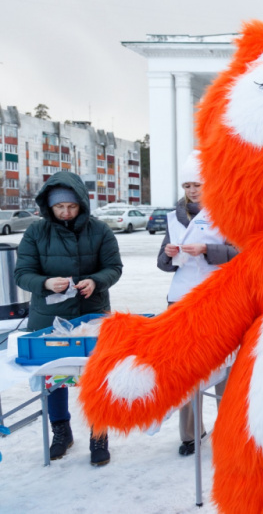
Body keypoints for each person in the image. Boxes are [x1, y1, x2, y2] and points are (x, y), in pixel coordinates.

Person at [15, 171, 123, 466]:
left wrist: (95, 281)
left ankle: (98, 434)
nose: (65, 213)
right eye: (59, 207)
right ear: (49, 207)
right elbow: (22, 273)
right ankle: (61, 432)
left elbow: (114, 267)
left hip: (92, 315)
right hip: (49, 318)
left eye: (71, 207)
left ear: (82, 204)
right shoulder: (36, 233)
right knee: (54, 378)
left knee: (97, 377)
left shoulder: (100, 230)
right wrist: (46, 284)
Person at [157, 151, 238, 456]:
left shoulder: (227, 213)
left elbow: (241, 253)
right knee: (187, 367)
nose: (192, 191)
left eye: (198, 185)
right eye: (188, 185)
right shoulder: (172, 217)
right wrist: (168, 253)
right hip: (180, 299)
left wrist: (208, 250)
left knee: (224, 364)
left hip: (217, 298)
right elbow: (163, 264)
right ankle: (190, 433)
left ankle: (228, 427)